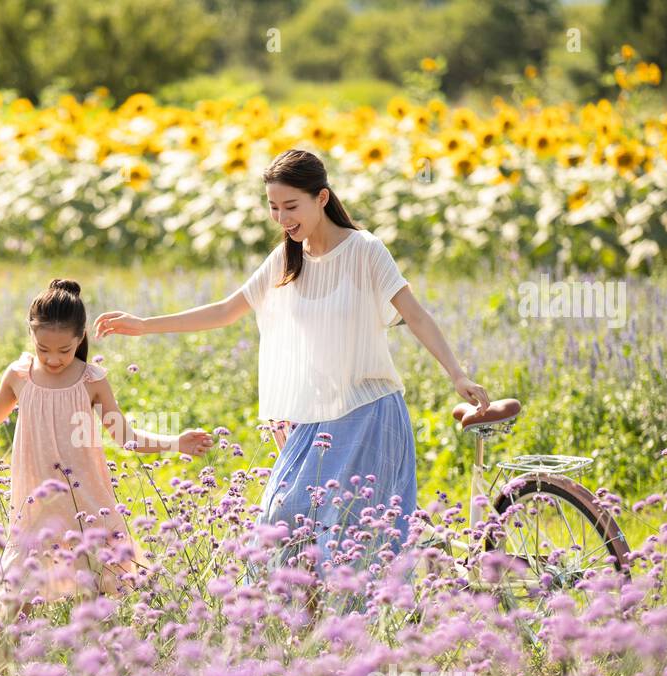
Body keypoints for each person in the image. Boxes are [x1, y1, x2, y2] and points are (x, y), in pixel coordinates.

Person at [95, 149, 489, 608]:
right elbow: (226, 311)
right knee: (280, 519)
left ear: (321, 198)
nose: (282, 218)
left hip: (368, 414)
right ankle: (294, 636)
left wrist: (456, 373)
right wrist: (145, 324)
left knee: (352, 537)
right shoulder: (287, 259)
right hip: (314, 421)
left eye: (291, 206)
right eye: (273, 208)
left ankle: (360, 637)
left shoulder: (365, 251)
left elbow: (415, 314)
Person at [0, 278, 213, 670]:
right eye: (43, 349)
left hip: (87, 505)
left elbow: (126, 436)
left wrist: (175, 442)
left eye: (64, 350)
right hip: (35, 507)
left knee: (99, 600)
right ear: (31, 337)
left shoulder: (91, 380)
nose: (52, 358)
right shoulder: (19, 375)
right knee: (15, 598)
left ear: (81, 338)